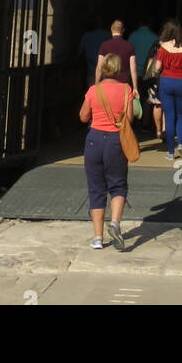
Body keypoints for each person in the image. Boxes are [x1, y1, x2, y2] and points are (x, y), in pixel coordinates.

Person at [79, 53, 133, 250]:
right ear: (118, 70)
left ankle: (98, 238)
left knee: (96, 188)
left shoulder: (94, 90)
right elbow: (129, 118)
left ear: (103, 69)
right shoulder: (126, 89)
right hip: (116, 141)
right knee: (118, 185)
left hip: (94, 141)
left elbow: (83, 117)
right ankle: (115, 223)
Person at [153, 20, 182, 162]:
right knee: (181, 115)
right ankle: (181, 144)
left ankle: (171, 151)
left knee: (169, 116)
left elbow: (157, 68)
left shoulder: (163, 48)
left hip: (166, 81)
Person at [95, 20, 139, 98]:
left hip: (107, 84)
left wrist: (96, 84)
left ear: (111, 30)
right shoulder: (130, 46)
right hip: (124, 85)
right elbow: (133, 69)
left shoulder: (104, 45)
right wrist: (135, 88)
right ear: (123, 31)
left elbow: (99, 67)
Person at [78, 22, 108, 86]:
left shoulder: (86, 36)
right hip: (106, 71)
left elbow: (80, 53)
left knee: (93, 93)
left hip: (91, 72)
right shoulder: (106, 35)